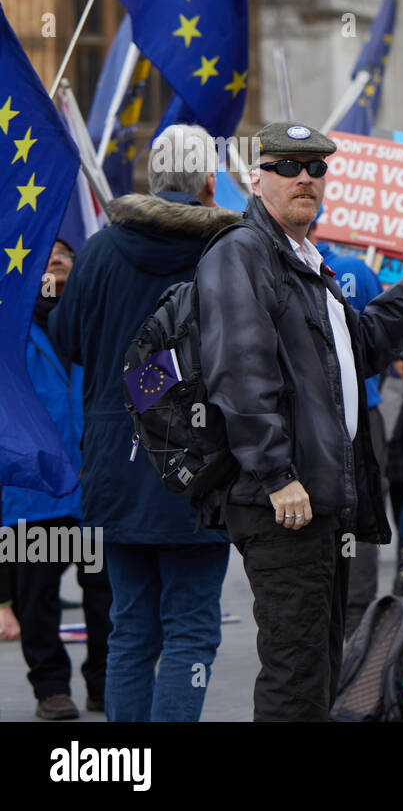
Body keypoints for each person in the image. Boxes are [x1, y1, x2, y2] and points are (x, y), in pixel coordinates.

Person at [196, 122, 403, 721]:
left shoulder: (303, 260)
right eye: (289, 165)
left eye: (316, 168)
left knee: (317, 668)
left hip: (314, 503)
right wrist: (275, 473)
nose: (305, 177)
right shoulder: (243, 252)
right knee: (296, 677)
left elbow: (362, 346)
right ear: (257, 176)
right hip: (282, 501)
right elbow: (239, 372)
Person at [48, 126, 238, 721]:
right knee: (191, 630)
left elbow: (68, 341)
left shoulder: (102, 251)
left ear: (150, 179)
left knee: (130, 628)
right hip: (200, 462)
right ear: (209, 181)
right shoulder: (229, 250)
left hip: (114, 462)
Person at [2, 240, 113, 719]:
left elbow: (144, 386)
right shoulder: (10, 332)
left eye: (64, 252)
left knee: (107, 596)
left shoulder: (100, 325)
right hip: (36, 493)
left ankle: (105, 683)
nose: (54, 257)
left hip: (100, 490)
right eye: (44, 252)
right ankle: (51, 689)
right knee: (37, 600)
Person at [306, 218, 392, 634]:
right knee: (359, 512)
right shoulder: (355, 269)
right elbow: (382, 335)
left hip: (320, 419)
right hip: (358, 414)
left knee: (325, 513)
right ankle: (354, 622)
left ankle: (339, 619)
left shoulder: (347, 271)